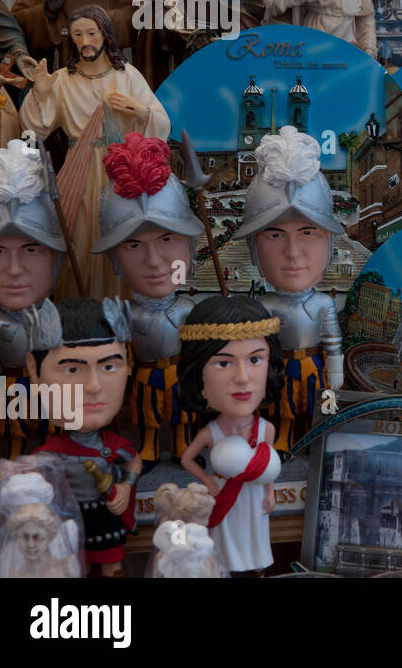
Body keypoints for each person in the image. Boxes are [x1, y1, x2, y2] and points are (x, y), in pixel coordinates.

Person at [20, 4, 170, 300]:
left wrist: (142, 112)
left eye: (91, 33)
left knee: (125, 235)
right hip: (81, 172)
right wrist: (40, 92)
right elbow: (34, 130)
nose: (85, 41)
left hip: (123, 171)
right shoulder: (62, 80)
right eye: (78, 34)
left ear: (105, 35)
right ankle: (81, 306)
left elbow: (162, 124)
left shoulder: (127, 76)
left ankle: (123, 304)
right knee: (79, 238)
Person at [93, 132, 204, 466]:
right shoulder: (125, 313)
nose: (154, 261)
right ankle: (150, 447)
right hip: (144, 377)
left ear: (190, 247)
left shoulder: (188, 309)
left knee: (184, 414)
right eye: (133, 244)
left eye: (167, 239)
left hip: (180, 374)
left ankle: (184, 445)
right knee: (148, 415)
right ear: (114, 258)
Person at [234, 125, 342, 451]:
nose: (293, 253)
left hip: (315, 369)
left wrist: (335, 376)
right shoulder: (266, 306)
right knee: (282, 408)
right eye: (275, 234)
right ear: (254, 247)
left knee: (317, 410)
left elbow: (332, 344)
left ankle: (313, 440)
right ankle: (280, 441)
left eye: (307, 232)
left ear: (329, 243)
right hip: (279, 369)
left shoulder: (322, 304)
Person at [31, 297, 141, 578]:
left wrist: (126, 487)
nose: (93, 386)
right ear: (34, 370)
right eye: (72, 369)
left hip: (106, 518)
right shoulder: (51, 453)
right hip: (70, 523)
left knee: (112, 567)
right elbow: (30, 477)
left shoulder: (113, 446)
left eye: (108, 367)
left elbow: (133, 461)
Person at [178, 294, 283, 576]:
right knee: (225, 544)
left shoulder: (266, 429)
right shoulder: (211, 432)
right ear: (198, 377)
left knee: (255, 538)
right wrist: (207, 480)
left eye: (255, 359)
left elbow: (269, 468)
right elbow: (187, 459)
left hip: (254, 497)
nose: (243, 377)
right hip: (224, 496)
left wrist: (270, 492)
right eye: (223, 363)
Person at [0, 138, 65, 456]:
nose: (14, 270)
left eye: (31, 249)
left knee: (48, 431)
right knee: (13, 434)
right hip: (9, 389)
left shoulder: (55, 317)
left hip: (48, 388)